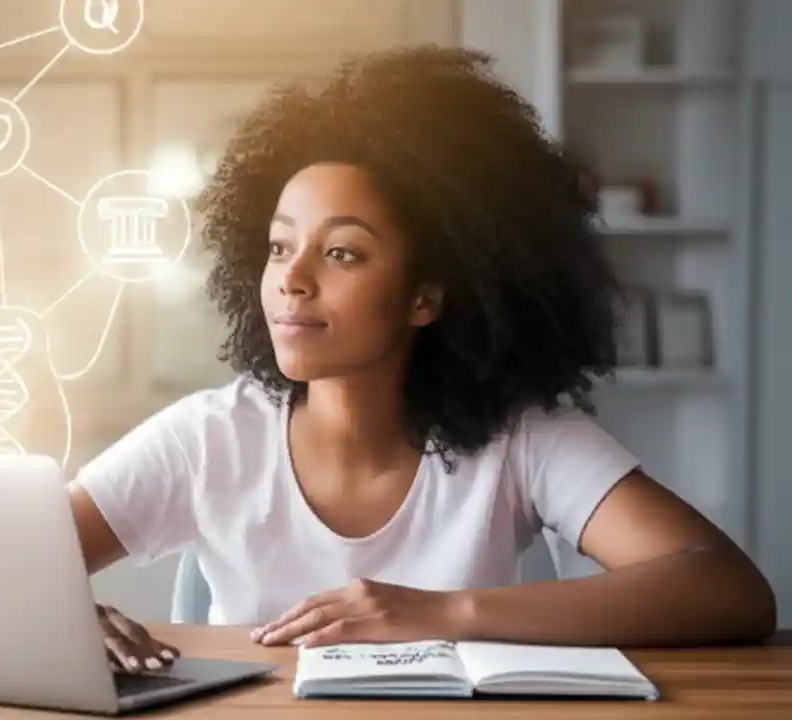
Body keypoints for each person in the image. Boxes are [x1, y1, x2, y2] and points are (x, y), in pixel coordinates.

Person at [66, 47, 777, 674]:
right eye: (281, 246)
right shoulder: (206, 439)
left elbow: (730, 591)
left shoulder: (520, 442)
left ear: (426, 297)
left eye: (341, 252)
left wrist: (445, 612)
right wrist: (63, 622)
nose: (291, 278)